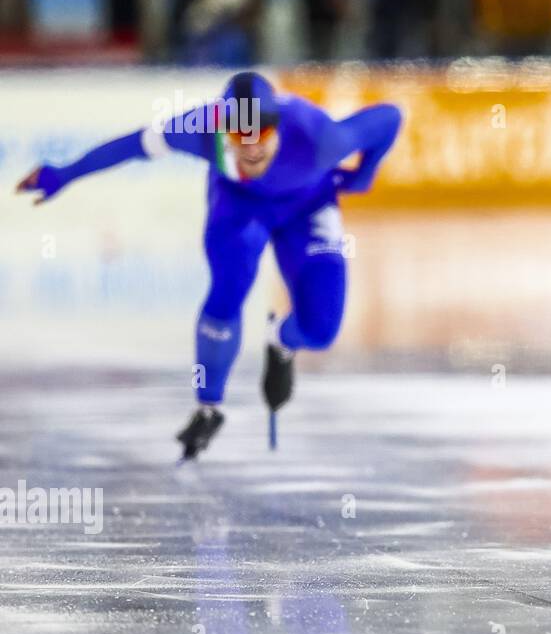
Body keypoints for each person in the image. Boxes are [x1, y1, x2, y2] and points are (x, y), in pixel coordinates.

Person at [16, 72, 402, 460]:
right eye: (238, 142)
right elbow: (132, 145)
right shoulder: (200, 128)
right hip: (238, 206)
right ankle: (209, 406)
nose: (251, 154)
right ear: (222, 129)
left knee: (320, 331)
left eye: (261, 142)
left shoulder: (318, 137)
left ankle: (281, 339)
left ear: (278, 131)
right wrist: (64, 174)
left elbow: (389, 118)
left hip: (309, 206)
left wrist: (364, 174)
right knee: (227, 290)